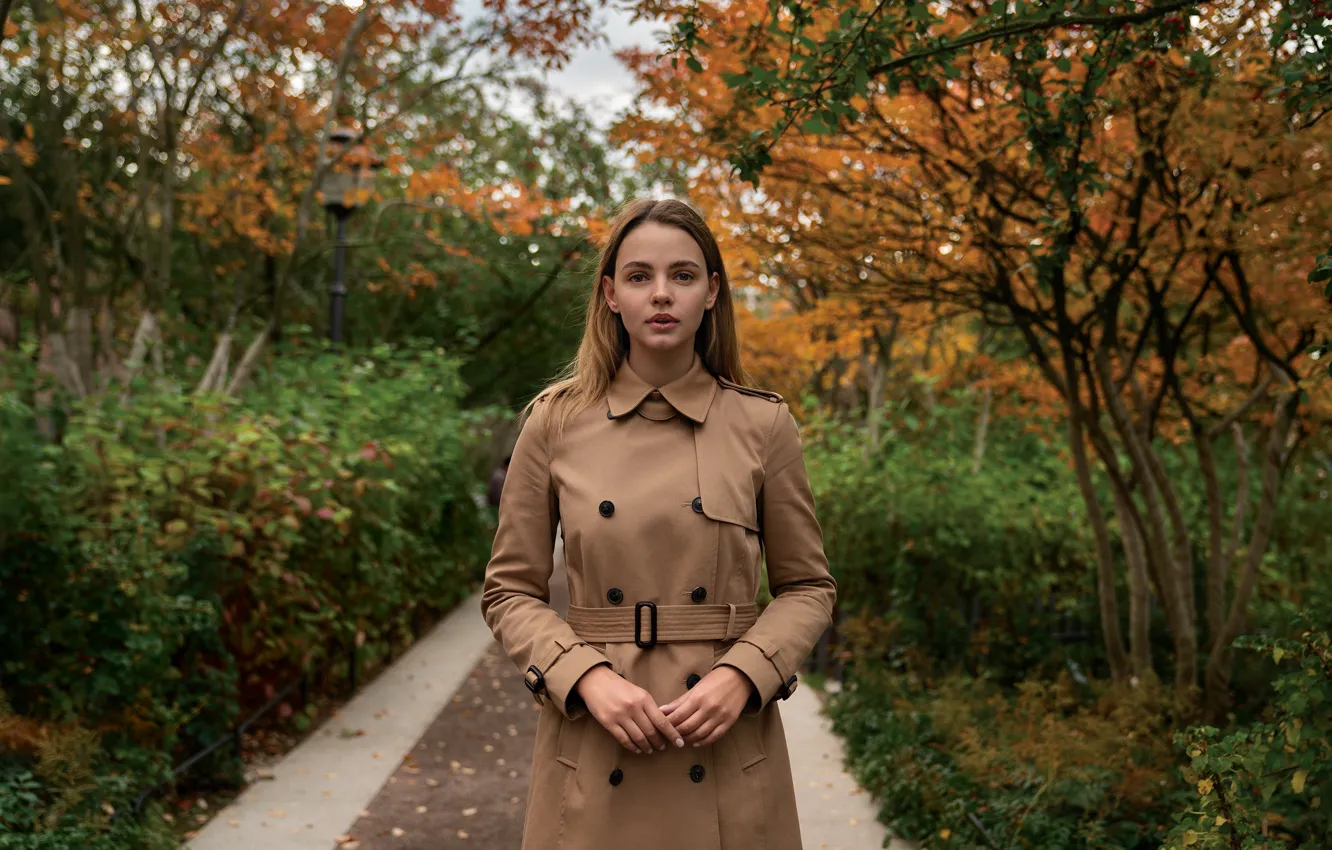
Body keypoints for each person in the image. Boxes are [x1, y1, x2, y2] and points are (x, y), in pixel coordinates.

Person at [479, 198, 837, 850]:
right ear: (611, 295)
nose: (662, 294)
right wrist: (584, 677)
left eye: (683, 275)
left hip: (724, 745)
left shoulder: (762, 424)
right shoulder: (555, 422)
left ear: (712, 292)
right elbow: (509, 592)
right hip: (596, 738)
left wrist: (744, 674)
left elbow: (808, 587)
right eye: (640, 276)